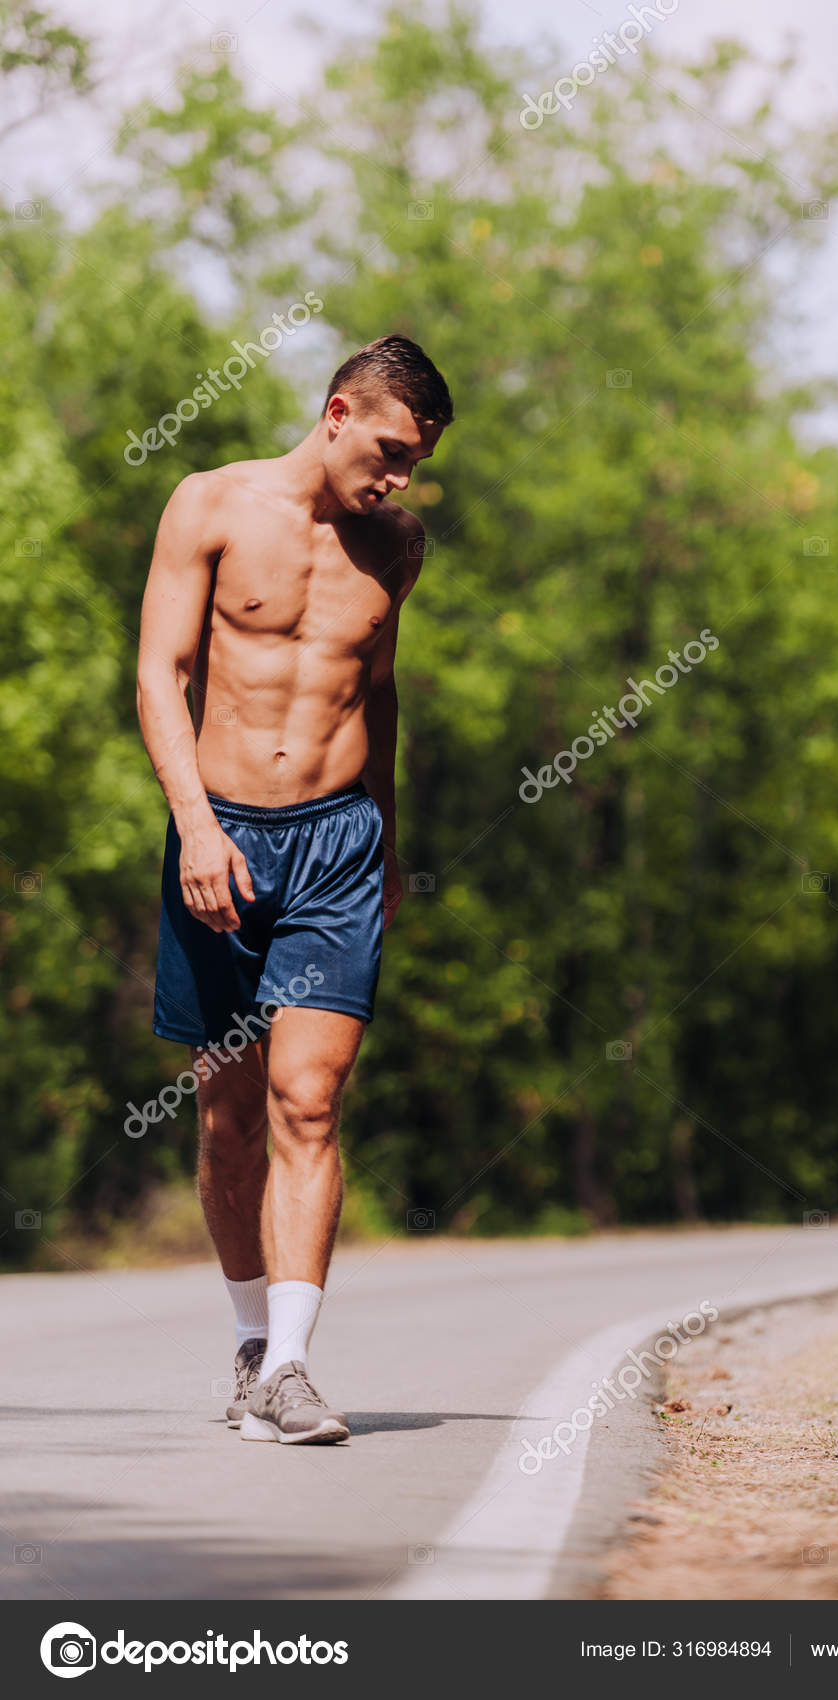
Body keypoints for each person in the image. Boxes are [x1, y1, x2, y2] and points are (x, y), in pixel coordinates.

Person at [136, 334, 452, 1444]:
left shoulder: (395, 545)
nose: (401, 476)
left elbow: (382, 692)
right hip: (218, 840)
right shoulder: (211, 504)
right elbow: (159, 673)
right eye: (391, 448)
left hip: (337, 847)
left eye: (415, 460)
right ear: (336, 410)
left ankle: (292, 1366)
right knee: (227, 1118)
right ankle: (246, 1337)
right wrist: (193, 830)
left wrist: (392, 839)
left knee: (308, 1099)